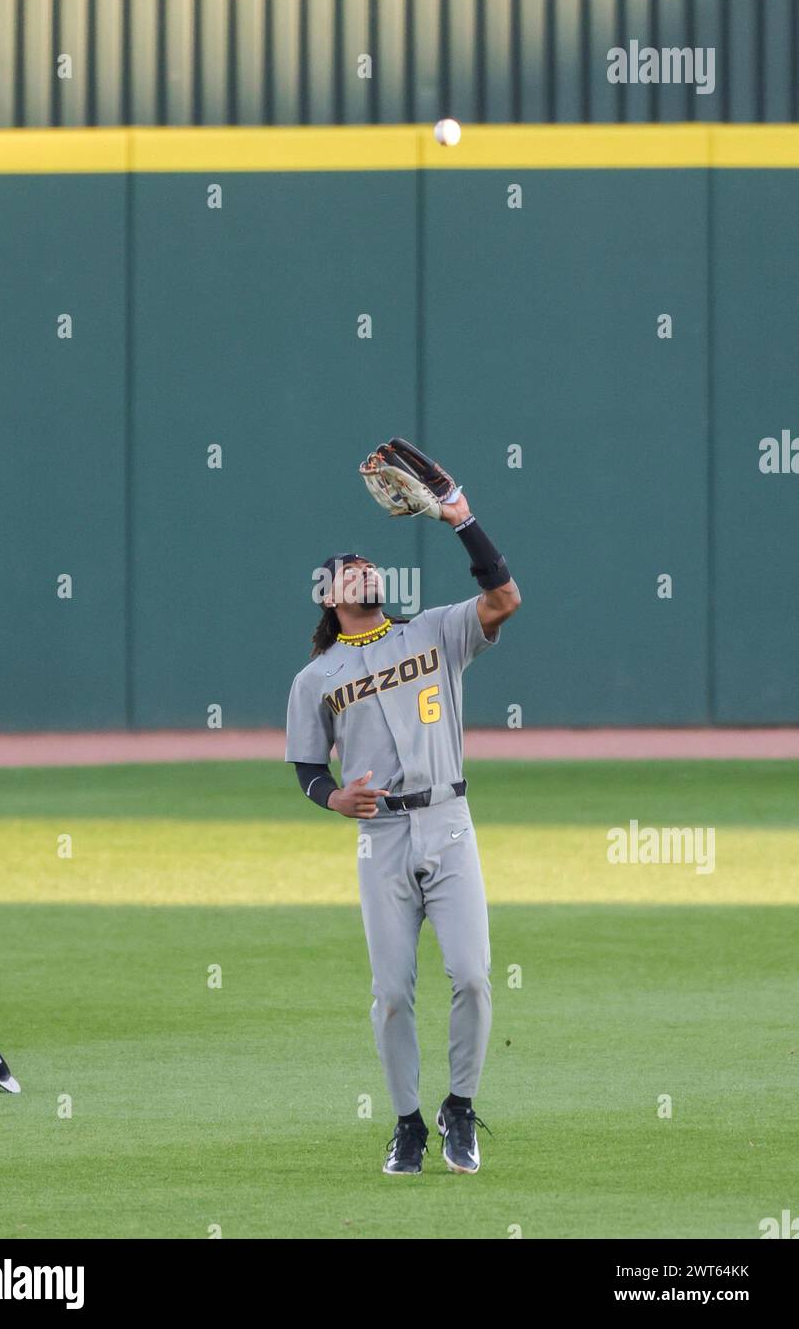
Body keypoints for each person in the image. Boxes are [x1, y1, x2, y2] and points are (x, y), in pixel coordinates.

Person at [284, 490, 521, 1174]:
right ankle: (409, 1123)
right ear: (329, 594)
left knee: (474, 977)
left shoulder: (435, 631)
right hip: (381, 838)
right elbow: (305, 765)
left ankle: (461, 1107)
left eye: (370, 564)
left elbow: (504, 598)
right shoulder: (315, 678)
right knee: (391, 994)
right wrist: (333, 799)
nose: (365, 570)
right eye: (350, 568)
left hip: (449, 823)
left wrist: (463, 520)